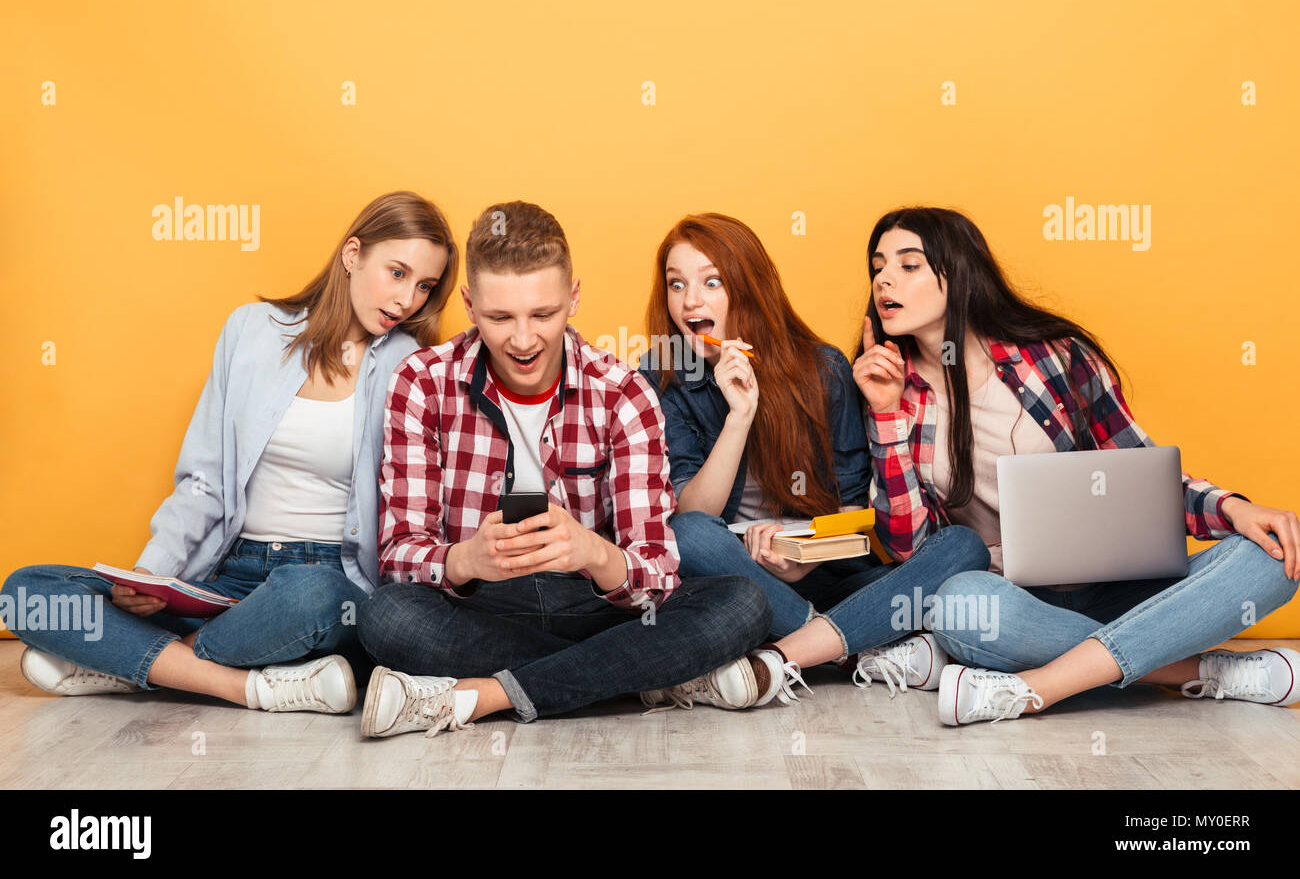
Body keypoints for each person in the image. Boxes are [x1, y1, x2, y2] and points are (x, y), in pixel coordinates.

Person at [4, 190, 457, 714]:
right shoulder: (251, 331)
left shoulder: (413, 365)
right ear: (352, 254)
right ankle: (240, 683)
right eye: (397, 272)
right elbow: (206, 481)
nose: (407, 300)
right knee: (26, 592)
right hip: (231, 576)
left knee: (315, 598)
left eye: (424, 285)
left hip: (325, 583)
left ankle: (135, 665)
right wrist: (152, 575)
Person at [851, 206, 1300, 725]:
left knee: (1274, 551)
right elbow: (914, 552)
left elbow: (1141, 478)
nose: (884, 278)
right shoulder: (890, 389)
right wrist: (885, 415)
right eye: (878, 266)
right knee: (957, 605)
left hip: (1125, 590)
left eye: (909, 265)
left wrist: (1233, 510)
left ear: (962, 273)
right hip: (1018, 605)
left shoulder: (1056, 357)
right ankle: (1201, 671)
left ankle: (1034, 687)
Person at [355, 200, 773, 738]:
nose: (523, 340)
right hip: (485, 609)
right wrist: (464, 559)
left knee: (742, 603)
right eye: (500, 317)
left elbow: (657, 572)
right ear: (468, 303)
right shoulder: (423, 382)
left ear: (574, 297)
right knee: (385, 618)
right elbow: (398, 556)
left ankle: (485, 695)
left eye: (543, 315)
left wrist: (594, 552)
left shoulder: (623, 392)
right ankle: (647, 672)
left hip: (594, 605)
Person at [640, 213, 990, 706]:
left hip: (820, 575)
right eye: (676, 285)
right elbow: (693, 514)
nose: (690, 301)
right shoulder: (661, 376)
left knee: (961, 548)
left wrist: (802, 554)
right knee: (687, 534)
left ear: (749, 286)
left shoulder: (823, 368)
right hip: (731, 573)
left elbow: (854, 516)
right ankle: (844, 649)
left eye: (711, 282)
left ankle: (785, 653)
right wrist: (739, 417)